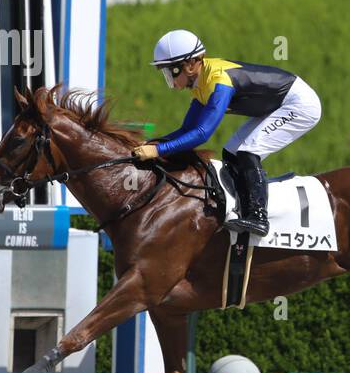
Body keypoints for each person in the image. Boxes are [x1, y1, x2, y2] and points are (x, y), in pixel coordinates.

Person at [131, 29, 321, 236]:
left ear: (191, 64)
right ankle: (243, 208)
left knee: (248, 152)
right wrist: (154, 143)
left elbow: (203, 133)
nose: (170, 79)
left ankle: (258, 217)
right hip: (276, 105)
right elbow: (187, 129)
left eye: (171, 72)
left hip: (299, 105)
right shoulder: (199, 82)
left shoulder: (218, 80)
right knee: (231, 152)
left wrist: (159, 150)